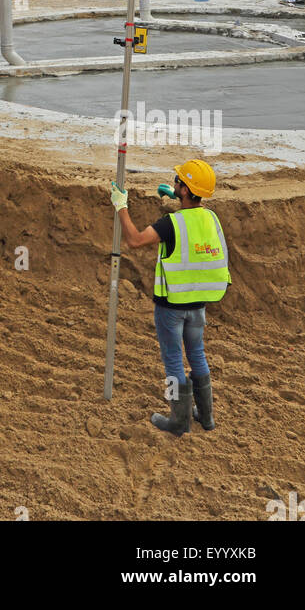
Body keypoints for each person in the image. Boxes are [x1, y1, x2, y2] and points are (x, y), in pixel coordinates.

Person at [110, 159, 230, 436]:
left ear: (186, 190)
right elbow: (191, 233)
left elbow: (135, 240)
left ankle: (178, 421)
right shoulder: (210, 218)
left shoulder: (170, 224)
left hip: (171, 306)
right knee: (197, 354)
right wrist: (172, 199)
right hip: (198, 303)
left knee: (174, 359)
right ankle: (207, 418)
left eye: (178, 182)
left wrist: (121, 206)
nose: (174, 183)